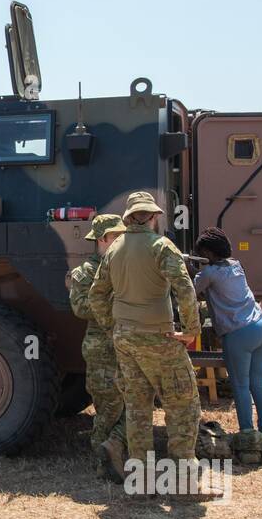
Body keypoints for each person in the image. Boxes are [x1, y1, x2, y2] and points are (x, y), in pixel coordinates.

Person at [87, 191, 202, 485]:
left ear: (127, 218)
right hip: (159, 336)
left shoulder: (114, 250)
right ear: (153, 217)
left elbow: (96, 294)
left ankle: (141, 481)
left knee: (138, 410)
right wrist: (191, 330)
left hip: (125, 338)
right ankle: (183, 483)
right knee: (183, 405)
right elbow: (185, 289)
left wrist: (114, 325)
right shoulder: (161, 246)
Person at [192, 228, 262, 453]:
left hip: (238, 333)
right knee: (258, 384)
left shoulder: (209, 274)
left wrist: (191, 270)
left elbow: (191, 290)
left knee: (240, 385)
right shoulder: (236, 265)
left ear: (207, 252)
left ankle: (247, 434)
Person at [69, 213, 126, 472]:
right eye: (117, 236)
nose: (122, 241)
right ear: (103, 239)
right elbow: (80, 308)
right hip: (101, 349)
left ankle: (117, 452)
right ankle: (104, 458)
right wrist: (116, 303)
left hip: (127, 345)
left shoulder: (125, 267)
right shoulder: (86, 272)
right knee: (107, 407)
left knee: (131, 404)